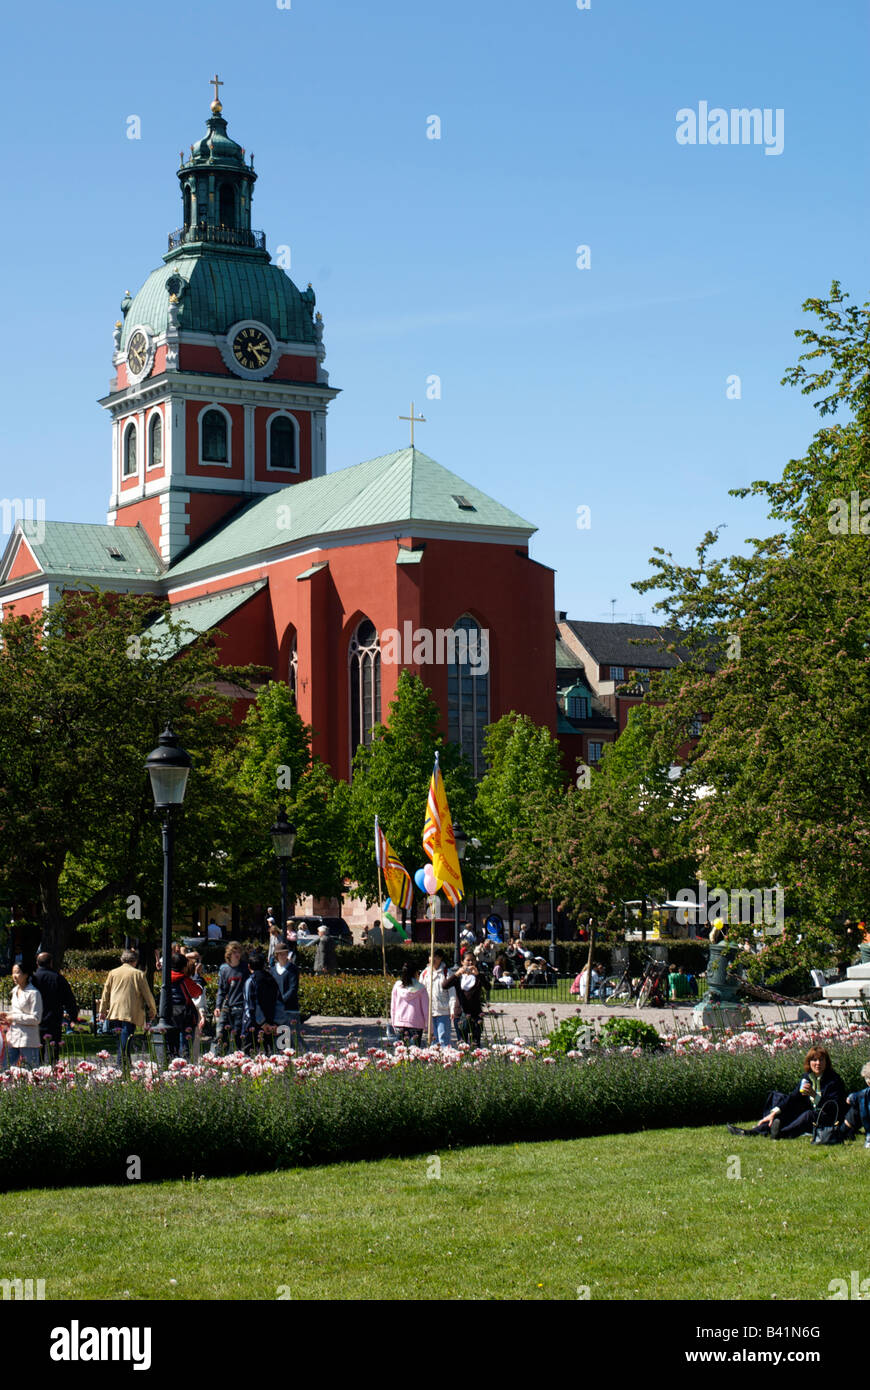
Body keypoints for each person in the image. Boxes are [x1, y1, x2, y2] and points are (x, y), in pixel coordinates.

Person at [727, 1046, 847, 1139]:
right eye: (814, 1060)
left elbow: (833, 1106)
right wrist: (774, 1112)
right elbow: (793, 1097)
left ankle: (781, 1134)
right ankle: (749, 1132)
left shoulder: (834, 1080)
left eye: (821, 1060)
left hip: (828, 1119)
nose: (818, 1063)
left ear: (827, 1062)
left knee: (809, 1115)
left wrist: (814, 1096)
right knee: (786, 1111)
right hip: (810, 1115)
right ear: (809, 1062)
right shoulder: (807, 1077)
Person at [98, 949, 157, 1067]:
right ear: (135, 961)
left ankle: (124, 1061)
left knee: (120, 1036)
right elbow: (147, 993)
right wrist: (152, 1009)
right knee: (127, 1035)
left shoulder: (113, 973)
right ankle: (122, 1062)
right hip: (130, 1010)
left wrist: (102, 1010)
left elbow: (106, 993)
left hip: (115, 1009)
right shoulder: (138, 974)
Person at [33, 952, 79, 1062]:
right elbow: (69, 999)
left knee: (37, 1051)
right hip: (53, 1018)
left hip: (35, 1019)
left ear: (37, 963)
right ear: (51, 963)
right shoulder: (58, 978)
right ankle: (54, 1071)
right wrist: (73, 1017)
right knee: (54, 1050)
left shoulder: (33, 979)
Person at [0, 962, 43, 1069]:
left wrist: (14, 1017)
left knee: (31, 1070)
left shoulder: (34, 993)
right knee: (6, 1068)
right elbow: (17, 1011)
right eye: (13, 973)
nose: (14, 976)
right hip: (13, 1037)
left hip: (28, 1039)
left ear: (26, 974)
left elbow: (36, 1018)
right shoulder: (14, 991)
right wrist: (7, 1015)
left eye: (17, 973)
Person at [213, 942, 248, 1053]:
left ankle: (237, 1055)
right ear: (229, 954)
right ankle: (222, 1055)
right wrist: (218, 1006)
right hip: (228, 1006)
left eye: (238, 952)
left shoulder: (245, 968)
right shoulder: (225, 970)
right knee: (222, 1034)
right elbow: (222, 990)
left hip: (240, 1005)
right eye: (234, 952)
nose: (237, 954)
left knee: (237, 1034)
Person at [444, 954, 485, 1046]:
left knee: (475, 1043)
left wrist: (478, 975)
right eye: (468, 960)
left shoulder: (478, 976)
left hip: (475, 1014)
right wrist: (456, 974)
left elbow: (488, 987)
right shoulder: (459, 978)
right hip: (460, 1013)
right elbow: (445, 985)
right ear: (462, 962)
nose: (470, 963)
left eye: (473, 960)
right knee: (462, 1043)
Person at [243, 950, 279, 1054]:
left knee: (249, 1054)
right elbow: (278, 1001)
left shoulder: (250, 981)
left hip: (253, 1023)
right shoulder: (272, 979)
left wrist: (262, 1022)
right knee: (269, 1055)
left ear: (249, 966)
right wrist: (274, 1023)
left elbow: (251, 1004)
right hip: (271, 1023)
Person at [390, 962, 430, 1047]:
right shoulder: (421, 988)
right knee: (414, 1054)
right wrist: (429, 1027)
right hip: (416, 1024)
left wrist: (393, 1022)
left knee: (400, 1054)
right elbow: (426, 1010)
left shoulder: (397, 986)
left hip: (399, 1023)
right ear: (415, 973)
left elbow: (393, 1007)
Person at [270, 944, 301, 1047]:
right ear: (277, 955)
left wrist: (282, 1000)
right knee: (280, 1042)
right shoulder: (273, 970)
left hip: (290, 1009)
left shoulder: (293, 969)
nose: (283, 956)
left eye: (285, 954)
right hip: (277, 1011)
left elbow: (293, 988)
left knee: (293, 1039)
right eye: (281, 954)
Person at [420, 950, 452, 1046]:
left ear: (440, 958)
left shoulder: (446, 973)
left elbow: (452, 993)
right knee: (432, 1039)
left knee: (443, 1038)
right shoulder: (425, 973)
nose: (432, 959)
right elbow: (420, 992)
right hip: (429, 1011)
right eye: (430, 956)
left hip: (443, 1011)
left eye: (435, 956)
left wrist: (452, 1008)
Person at [838, 1061, 870, 1146]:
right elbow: (853, 1097)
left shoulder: (864, 1094)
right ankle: (843, 1133)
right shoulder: (864, 1094)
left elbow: (852, 1098)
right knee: (857, 1107)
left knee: (857, 1107)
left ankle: (842, 1132)